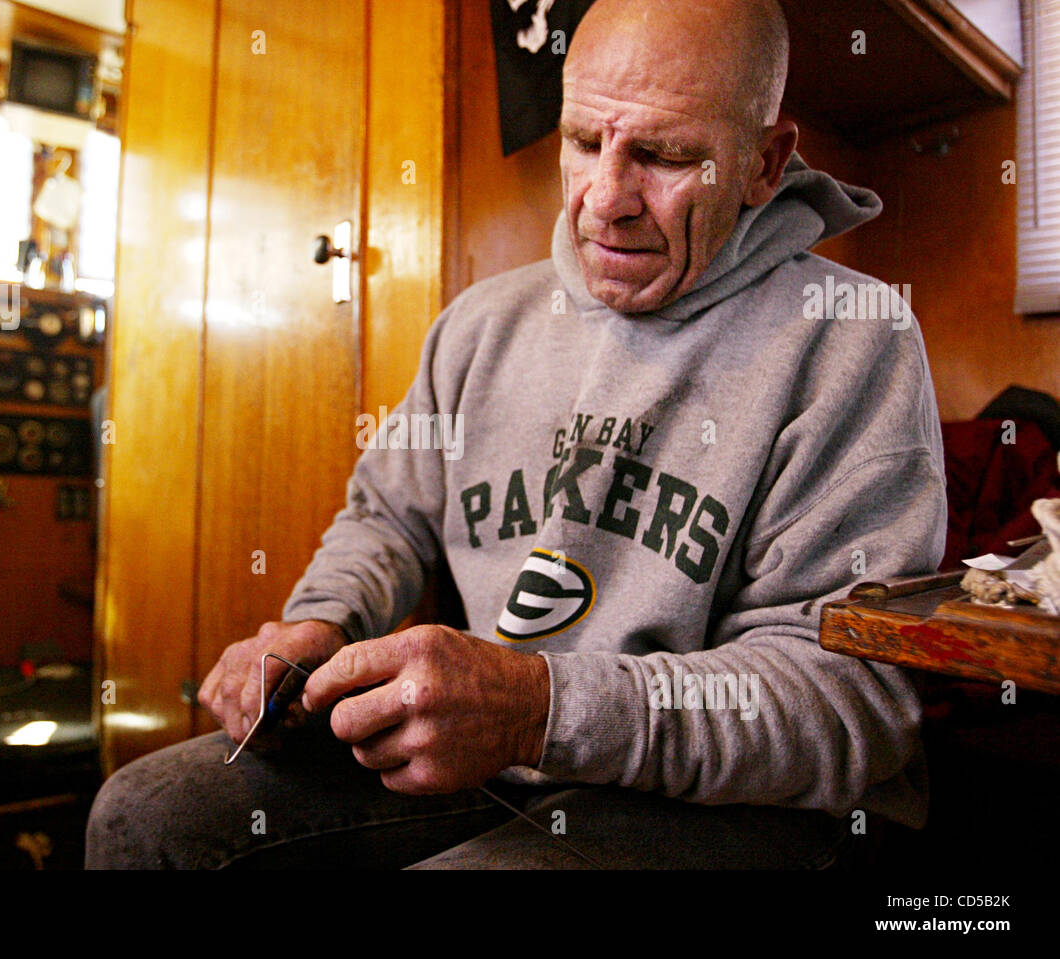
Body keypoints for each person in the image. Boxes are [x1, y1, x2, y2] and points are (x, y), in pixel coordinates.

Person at [85, 0, 946, 869]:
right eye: (581, 141)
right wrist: (320, 622)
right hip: (513, 761)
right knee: (146, 815)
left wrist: (544, 708)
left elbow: (850, 703)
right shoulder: (480, 325)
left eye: (666, 155)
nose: (606, 200)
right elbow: (387, 515)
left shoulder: (851, 336)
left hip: (742, 801)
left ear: (764, 164)